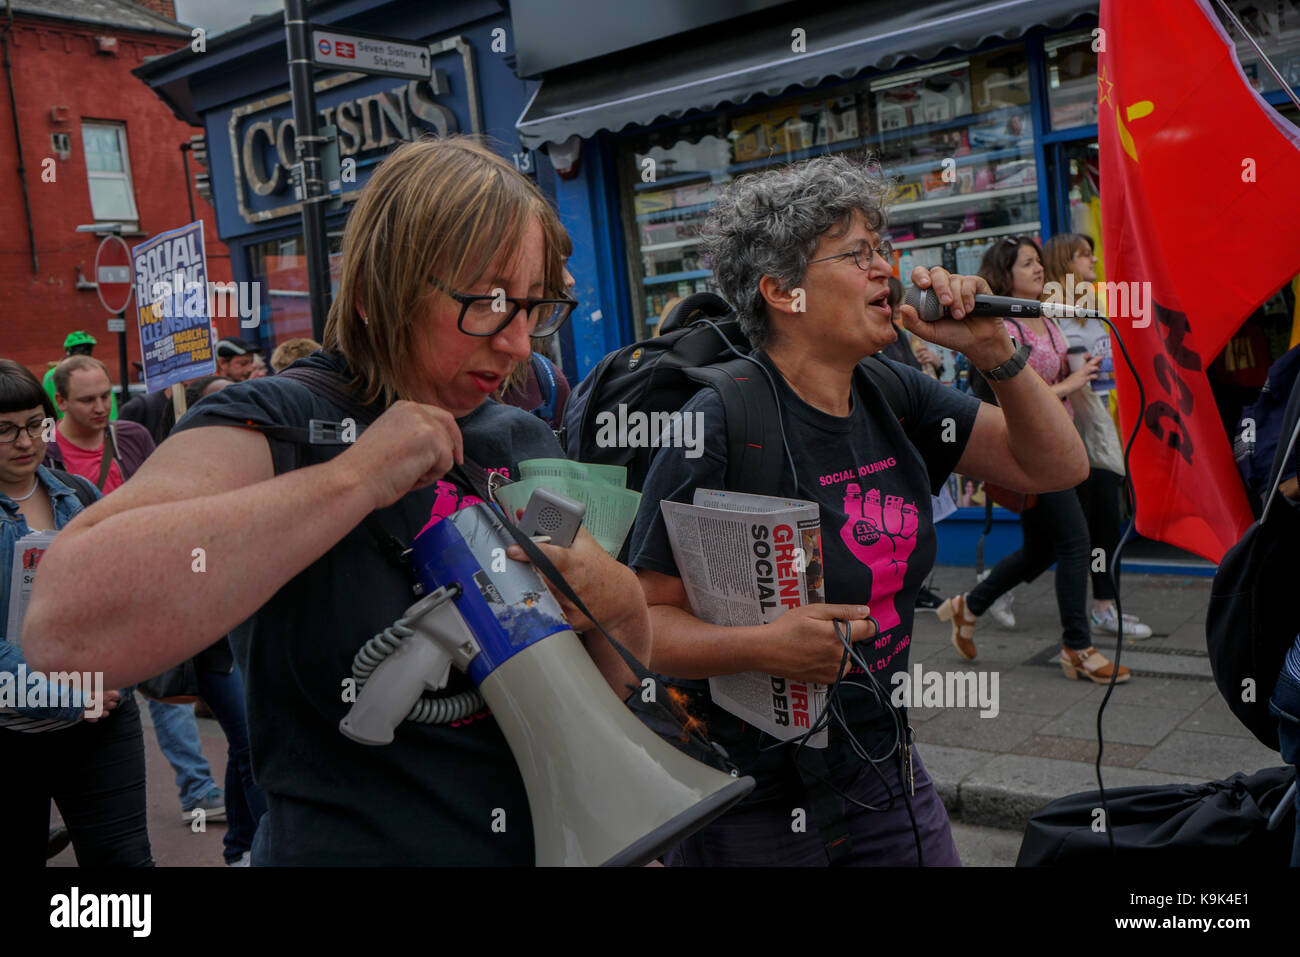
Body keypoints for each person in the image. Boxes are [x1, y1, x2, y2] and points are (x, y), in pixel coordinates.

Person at [23, 136, 651, 866]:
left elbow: (600, 714)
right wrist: (355, 479)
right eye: (487, 303)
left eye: (534, 307)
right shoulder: (281, 420)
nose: (516, 342)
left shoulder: (519, 433)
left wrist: (622, 606)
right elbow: (64, 626)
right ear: (391, 284)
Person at [627, 156, 1089, 866]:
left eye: (883, 249)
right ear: (783, 292)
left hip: (885, 770)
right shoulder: (721, 420)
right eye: (857, 254)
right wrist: (761, 646)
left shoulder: (892, 391)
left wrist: (995, 350)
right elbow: (638, 625)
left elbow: (1057, 465)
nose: (886, 269)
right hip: (751, 804)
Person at [939, 236, 1130, 683]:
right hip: (1028, 450)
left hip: (1063, 445)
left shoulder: (1044, 315)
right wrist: (1071, 383)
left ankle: (970, 606)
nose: (1039, 269)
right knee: (1076, 544)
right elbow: (1016, 394)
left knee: (1040, 549)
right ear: (1005, 275)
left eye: (1039, 262)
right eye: (1028, 264)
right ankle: (1078, 647)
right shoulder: (1000, 327)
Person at [0, 359, 151, 867]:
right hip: (13, 728)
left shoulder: (79, 496)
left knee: (125, 866)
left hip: (100, 722)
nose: (25, 441)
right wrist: (67, 696)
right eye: (5, 430)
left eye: (35, 425)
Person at [1043, 233, 1152, 640]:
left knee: (1096, 527)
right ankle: (1101, 609)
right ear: (1063, 265)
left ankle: (979, 600)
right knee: (1087, 530)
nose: (1093, 261)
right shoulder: (1054, 318)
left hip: (1109, 429)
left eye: (1092, 253)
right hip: (1078, 435)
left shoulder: (1098, 307)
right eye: (1083, 256)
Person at [45, 356, 154, 493]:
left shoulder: (135, 436)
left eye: (105, 396)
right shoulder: (43, 452)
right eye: (87, 400)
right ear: (61, 401)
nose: (100, 408)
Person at [43, 332, 118, 422]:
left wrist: (111, 425)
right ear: (69, 352)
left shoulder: (99, 372)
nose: (85, 355)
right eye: (80, 351)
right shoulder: (51, 376)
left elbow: (110, 403)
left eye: (88, 351)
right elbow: (46, 407)